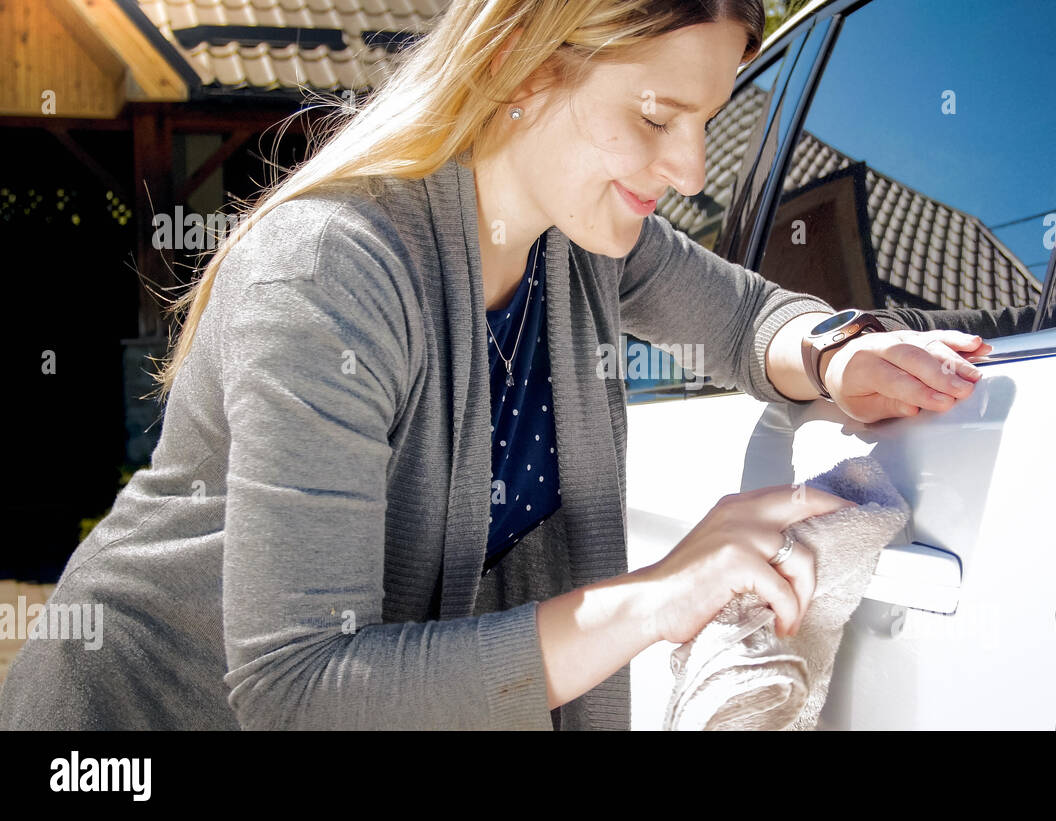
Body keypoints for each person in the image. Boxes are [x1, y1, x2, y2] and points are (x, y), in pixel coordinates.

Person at [0, 0, 990, 731]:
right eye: (654, 116)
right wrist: (655, 594)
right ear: (523, 70)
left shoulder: (583, 233)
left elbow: (741, 317)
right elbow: (298, 686)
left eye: (702, 120)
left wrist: (839, 351)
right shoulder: (328, 274)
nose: (691, 168)